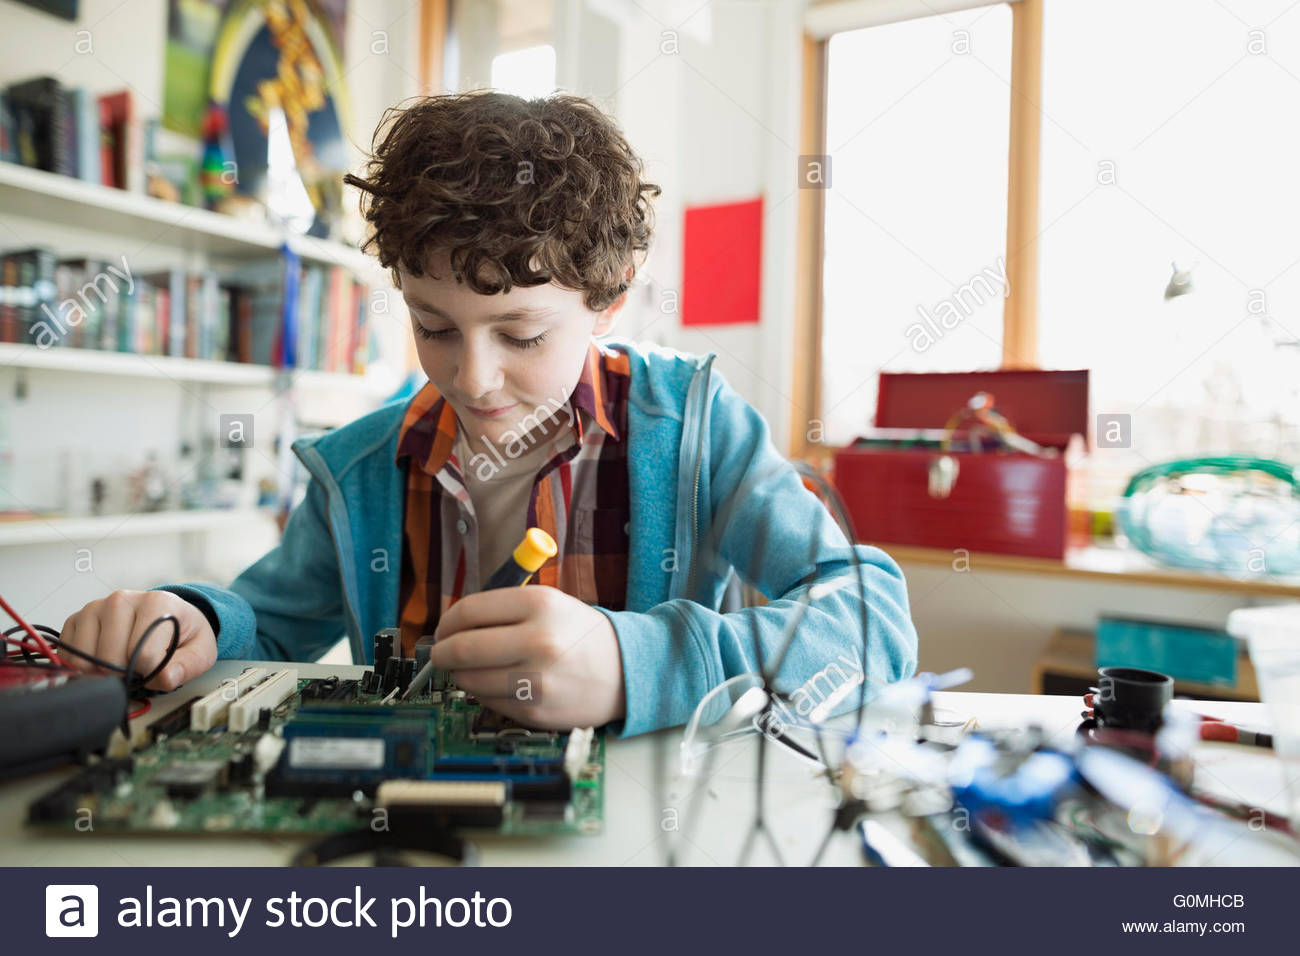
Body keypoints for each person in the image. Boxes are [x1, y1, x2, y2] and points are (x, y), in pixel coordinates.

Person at [59, 91, 917, 735]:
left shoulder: (692, 430)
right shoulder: (364, 470)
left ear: (609, 302)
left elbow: (872, 620)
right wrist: (193, 621)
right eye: (434, 327)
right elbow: (271, 626)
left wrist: (634, 667)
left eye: (522, 333)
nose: (472, 379)